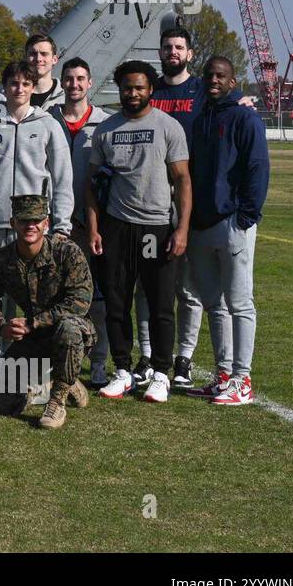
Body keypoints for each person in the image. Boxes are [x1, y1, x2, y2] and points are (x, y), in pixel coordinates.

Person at [0, 60, 72, 393]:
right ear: (4, 86)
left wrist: (62, 224)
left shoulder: (48, 125)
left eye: (26, 84)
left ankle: (28, 363)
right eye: (13, 83)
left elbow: (62, 178)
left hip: (35, 228)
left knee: (35, 297)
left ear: (33, 87)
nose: (19, 89)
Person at [87, 60, 192, 404]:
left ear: (150, 89)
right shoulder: (105, 130)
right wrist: (94, 228)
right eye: (127, 88)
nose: (133, 93)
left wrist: (181, 229)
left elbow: (182, 180)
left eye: (139, 87)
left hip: (156, 227)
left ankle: (161, 373)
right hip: (117, 226)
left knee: (161, 303)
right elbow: (92, 184)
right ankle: (122, 370)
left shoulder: (168, 126)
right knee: (117, 302)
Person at [186, 56, 269, 406]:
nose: (213, 80)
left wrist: (245, 217)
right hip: (201, 223)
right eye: (209, 75)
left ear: (233, 82)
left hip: (232, 222)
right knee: (214, 304)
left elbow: (257, 167)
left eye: (221, 76)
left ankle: (242, 378)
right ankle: (223, 375)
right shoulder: (202, 116)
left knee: (239, 303)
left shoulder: (245, 117)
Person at [0, 195, 95, 429]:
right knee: (4, 403)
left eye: (36, 220)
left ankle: (57, 399)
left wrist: (33, 322)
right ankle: (65, 379)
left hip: (74, 333)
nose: (30, 226)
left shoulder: (67, 253)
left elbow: (80, 301)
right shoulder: (3, 260)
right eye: (23, 220)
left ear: (46, 223)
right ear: (13, 223)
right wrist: (2, 326)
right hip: (34, 339)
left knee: (68, 328)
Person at [148, 24, 205, 388]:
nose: (173, 52)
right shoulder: (149, 90)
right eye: (168, 46)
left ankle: (183, 359)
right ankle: (148, 356)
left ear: (189, 54)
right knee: (149, 286)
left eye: (179, 47)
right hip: (152, 201)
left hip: (187, 199)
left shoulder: (201, 91)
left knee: (188, 288)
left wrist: (243, 99)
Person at [49, 57, 112, 386]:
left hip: (92, 227)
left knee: (95, 299)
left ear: (90, 83)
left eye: (80, 79)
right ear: (62, 83)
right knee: (55, 298)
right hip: (55, 225)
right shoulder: (47, 120)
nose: (74, 84)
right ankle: (55, 361)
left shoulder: (105, 123)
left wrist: (96, 221)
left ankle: (98, 361)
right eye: (69, 79)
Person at [24, 33, 64, 111]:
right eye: (33, 54)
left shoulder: (66, 99)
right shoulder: (8, 95)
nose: (38, 59)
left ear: (54, 59)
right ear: (25, 58)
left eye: (44, 54)